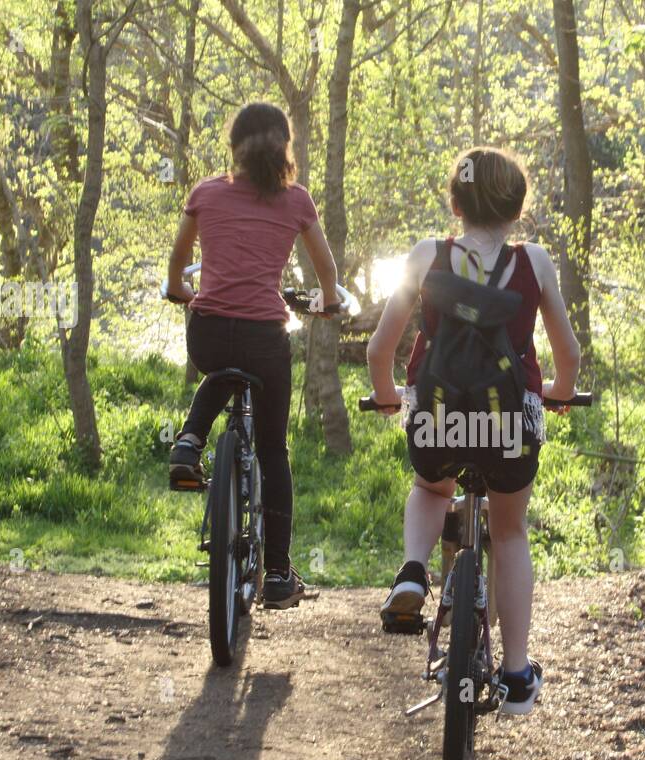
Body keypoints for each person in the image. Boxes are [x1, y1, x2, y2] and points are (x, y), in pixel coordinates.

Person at [365, 147, 581, 714]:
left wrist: (389, 398)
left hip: (439, 416)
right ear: (517, 207)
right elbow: (569, 355)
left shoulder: (424, 256)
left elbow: (378, 348)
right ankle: (514, 676)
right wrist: (556, 393)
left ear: (454, 202)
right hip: (510, 423)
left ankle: (413, 572)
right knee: (509, 533)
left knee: (432, 488)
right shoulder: (535, 262)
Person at [164, 102, 339, 610]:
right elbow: (326, 272)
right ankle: (280, 572)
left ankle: (188, 442)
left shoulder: (205, 193)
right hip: (266, 339)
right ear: (285, 149)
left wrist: (179, 291)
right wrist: (325, 304)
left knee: (218, 372)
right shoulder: (297, 202)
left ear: (232, 148)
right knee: (272, 451)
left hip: (210, 333)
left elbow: (178, 263)